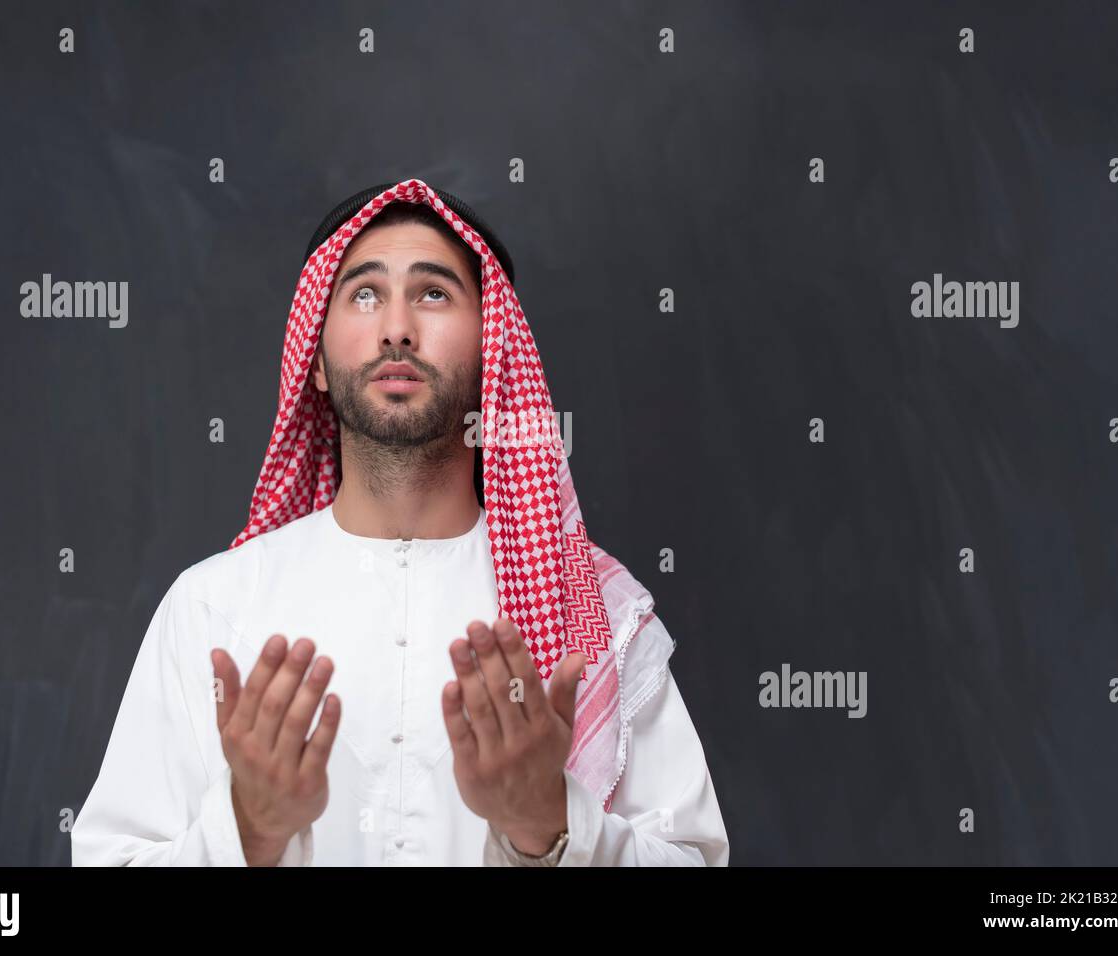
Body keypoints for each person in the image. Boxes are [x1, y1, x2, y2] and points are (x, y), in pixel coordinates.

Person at [71, 179, 729, 866]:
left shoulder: (592, 613)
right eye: (363, 294)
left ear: (492, 354)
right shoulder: (213, 610)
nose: (396, 328)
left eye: (434, 293)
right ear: (316, 362)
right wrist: (247, 829)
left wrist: (549, 823)